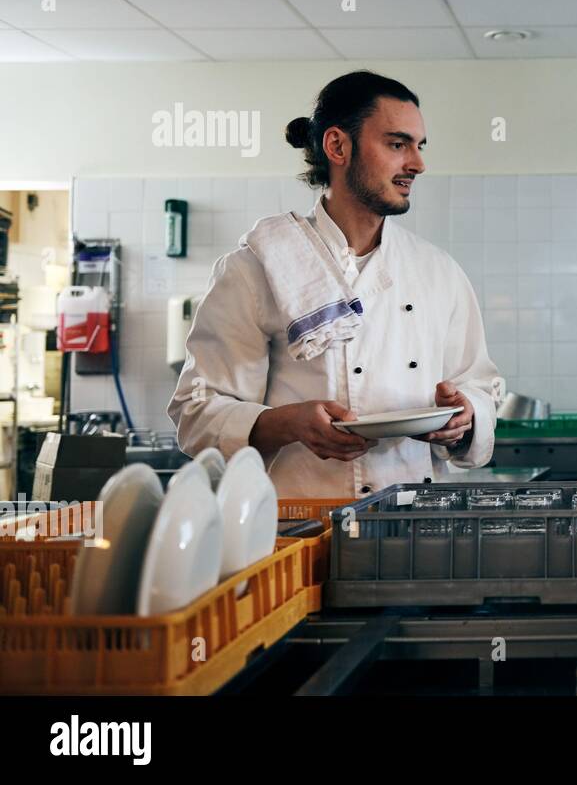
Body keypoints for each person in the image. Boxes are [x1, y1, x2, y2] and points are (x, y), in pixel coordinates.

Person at [169, 71, 498, 498]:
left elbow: (481, 384)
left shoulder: (438, 270)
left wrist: (466, 415)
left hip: (414, 522)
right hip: (299, 529)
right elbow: (197, 411)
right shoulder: (255, 269)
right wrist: (286, 423)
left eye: (419, 146)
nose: (417, 164)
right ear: (338, 146)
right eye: (398, 145)